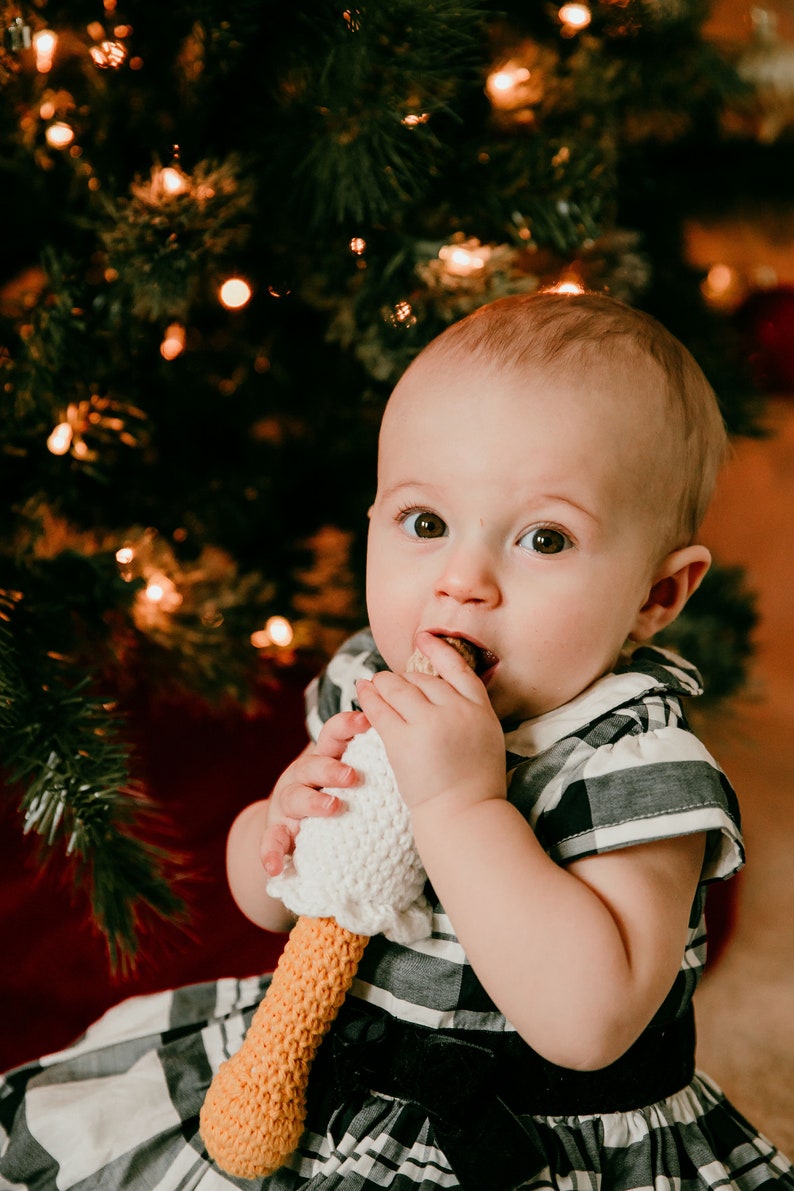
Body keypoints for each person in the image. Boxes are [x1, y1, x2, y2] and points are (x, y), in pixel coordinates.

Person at [1, 291, 792, 1190]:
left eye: (544, 537)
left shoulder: (635, 761)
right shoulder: (370, 677)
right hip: (328, 1077)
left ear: (658, 595)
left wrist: (462, 804)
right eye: (426, 524)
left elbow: (590, 1020)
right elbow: (280, 902)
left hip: (524, 1140)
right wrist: (281, 825)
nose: (463, 581)